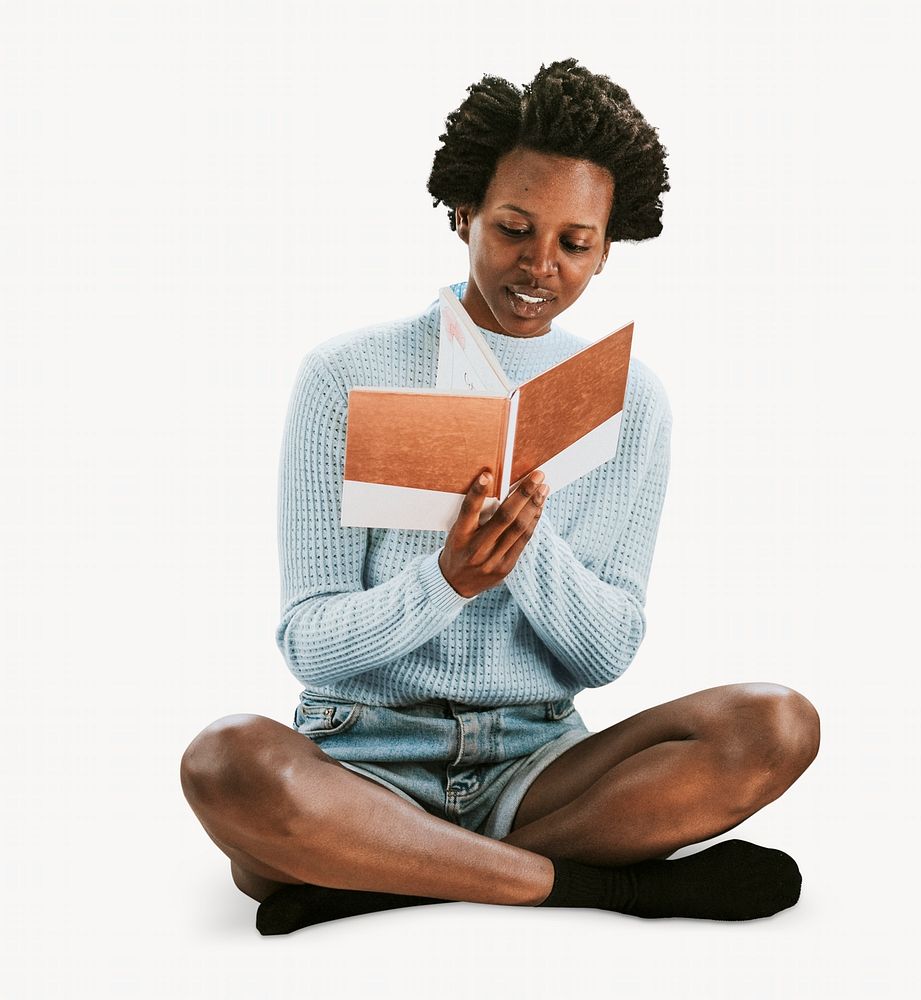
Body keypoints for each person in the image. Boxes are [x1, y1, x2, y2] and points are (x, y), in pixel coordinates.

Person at [180, 58, 820, 935]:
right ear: (463, 213)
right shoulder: (346, 375)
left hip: (537, 761)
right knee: (226, 761)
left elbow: (609, 650)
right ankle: (596, 885)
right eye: (514, 228)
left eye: (575, 243)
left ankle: (381, 874)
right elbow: (310, 644)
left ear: (606, 246)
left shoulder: (633, 401)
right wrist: (447, 583)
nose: (540, 266)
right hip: (361, 758)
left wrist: (527, 549)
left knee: (775, 725)